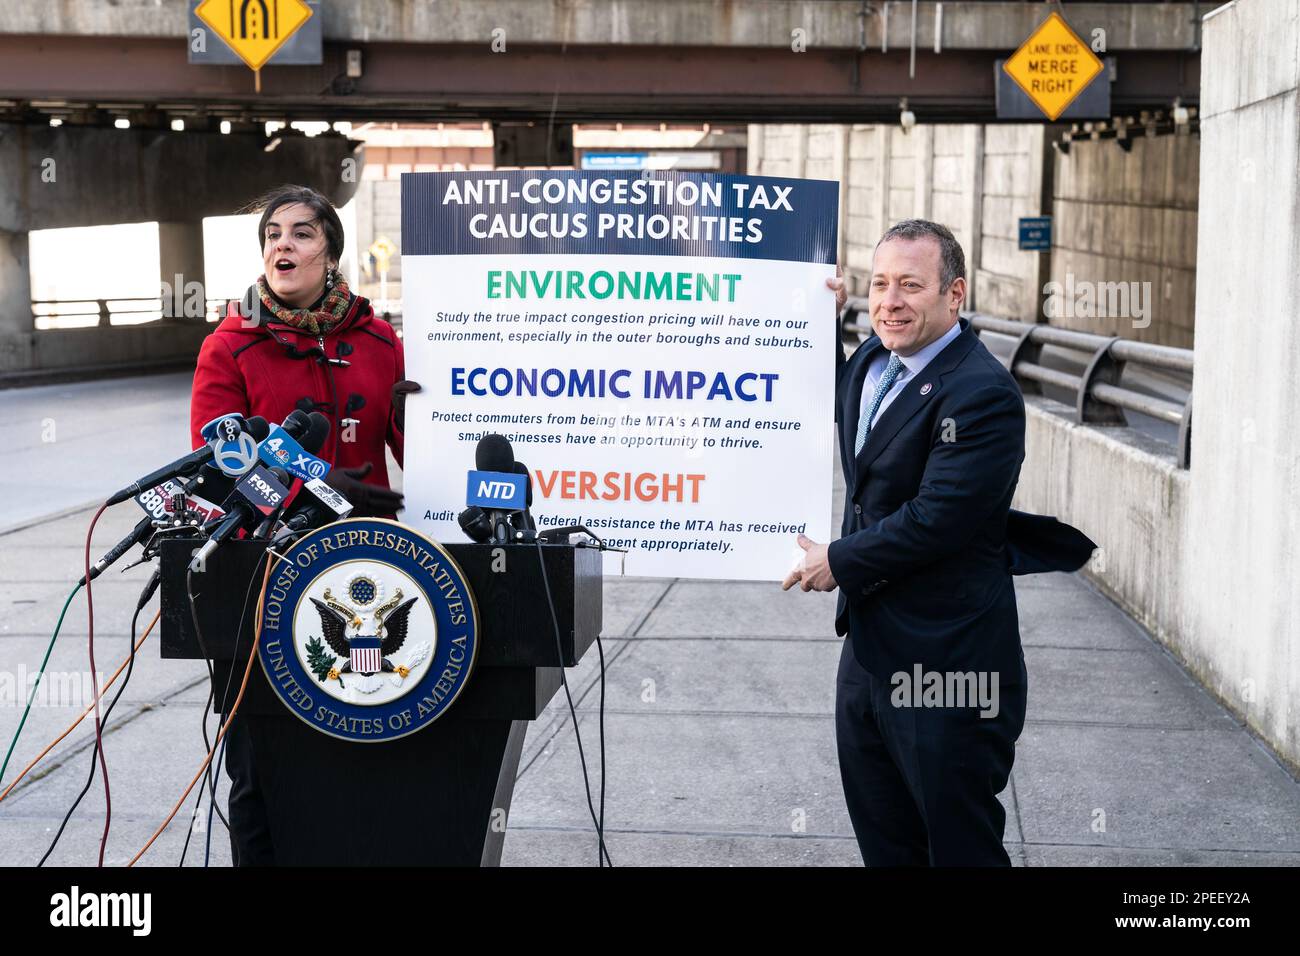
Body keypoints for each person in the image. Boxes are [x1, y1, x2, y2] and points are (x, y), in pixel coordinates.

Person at [783, 219, 1091, 866]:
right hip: (868, 653)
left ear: (954, 295)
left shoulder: (982, 395)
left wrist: (837, 560)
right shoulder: (873, 357)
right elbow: (841, 412)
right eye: (880, 284)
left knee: (959, 851)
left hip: (948, 664)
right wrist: (815, 324)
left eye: (910, 286)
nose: (889, 301)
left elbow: (938, 518)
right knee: (887, 843)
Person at [187, 184, 421, 865]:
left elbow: (420, 450)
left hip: (367, 578)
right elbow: (219, 467)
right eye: (271, 235)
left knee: (364, 754)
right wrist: (313, 489)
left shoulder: (379, 342)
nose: (281, 245)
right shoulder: (229, 346)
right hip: (258, 579)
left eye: (301, 233)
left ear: (331, 252)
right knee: (262, 772)